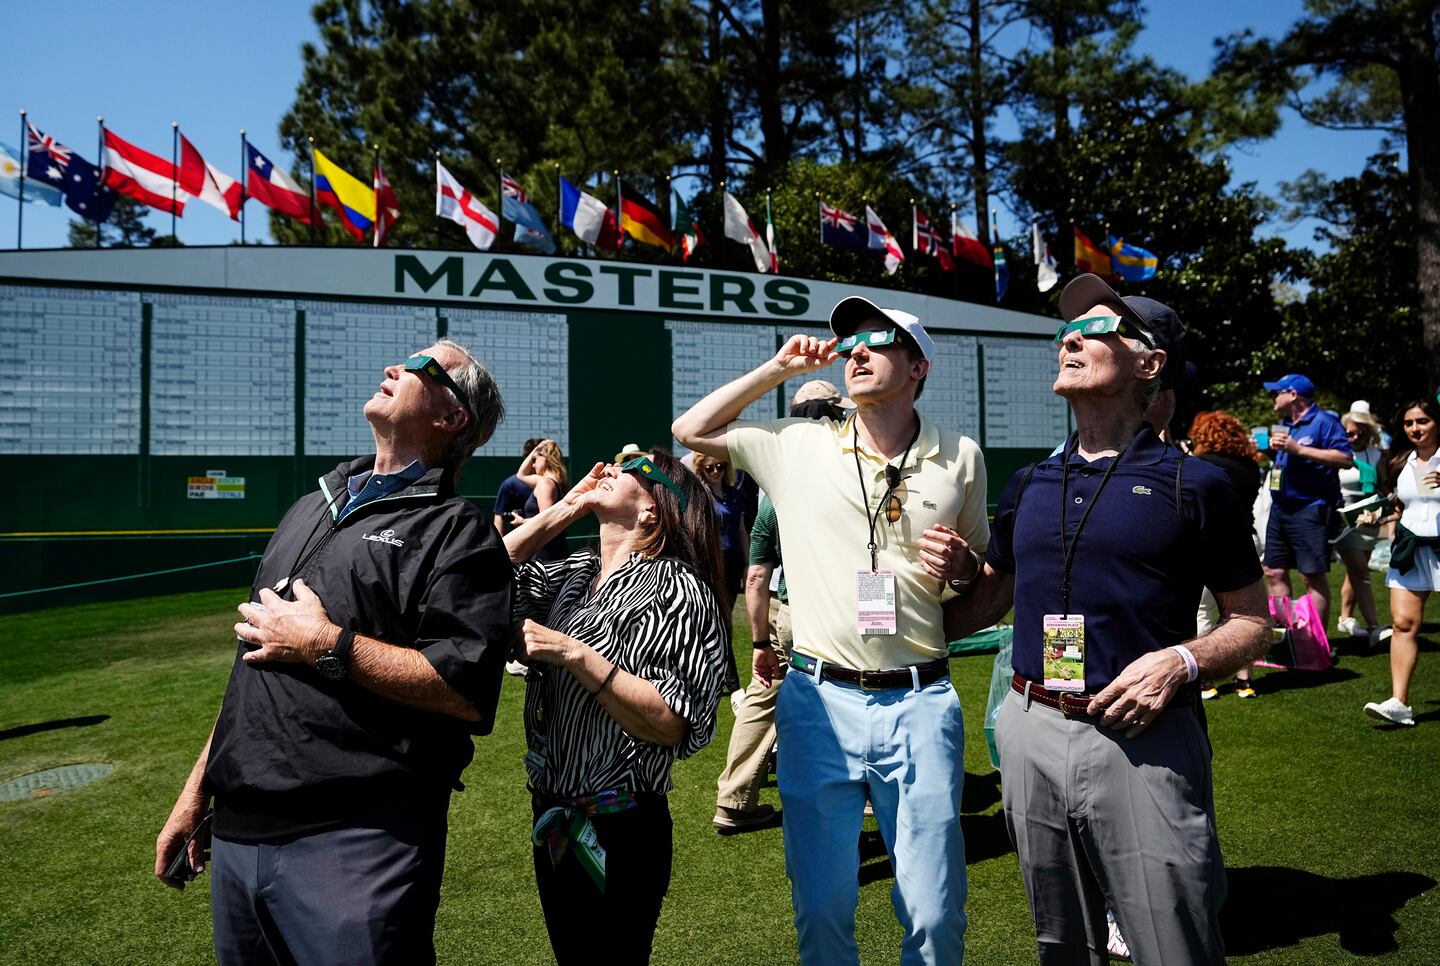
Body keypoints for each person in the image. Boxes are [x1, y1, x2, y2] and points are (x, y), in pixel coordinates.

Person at [944, 274, 1270, 965]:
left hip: (1143, 736)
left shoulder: (1197, 484)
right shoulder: (1029, 483)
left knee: (1172, 938)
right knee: (1063, 941)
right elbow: (986, 599)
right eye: (1067, 329)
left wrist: (1180, 661)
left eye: (1098, 329)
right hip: (1029, 729)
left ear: (1149, 364)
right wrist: (894, 623)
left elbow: (1250, 621)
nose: (1070, 339)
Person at [154, 340, 512, 965]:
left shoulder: (457, 529)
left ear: (451, 417)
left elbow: (463, 690)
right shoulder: (308, 508)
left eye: (423, 367)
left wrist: (327, 644)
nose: (392, 367)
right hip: (239, 835)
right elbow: (252, 666)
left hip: (357, 842)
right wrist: (196, 793)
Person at [673, 297, 991, 966]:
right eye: (850, 342)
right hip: (817, 703)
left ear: (918, 367)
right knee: (821, 912)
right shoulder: (795, 443)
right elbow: (691, 427)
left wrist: (964, 565)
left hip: (921, 702)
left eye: (878, 341)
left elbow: (975, 575)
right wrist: (777, 368)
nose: (857, 351)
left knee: (936, 914)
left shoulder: (960, 456)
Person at [502, 451, 729, 963]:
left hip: (619, 827)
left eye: (633, 467)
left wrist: (573, 653)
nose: (610, 466)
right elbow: (480, 569)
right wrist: (567, 507)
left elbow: (673, 723)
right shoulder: (576, 572)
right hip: (556, 816)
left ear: (654, 510)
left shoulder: (675, 587)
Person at [712, 382, 847, 832]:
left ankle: (733, 799)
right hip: (834, 613)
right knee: (850, 696)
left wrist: (757, 641)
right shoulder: (846, 471)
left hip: (781, 607)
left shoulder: (773, 472)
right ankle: (863, 794)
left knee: (763, 697)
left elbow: (756, 576)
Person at [1364, 397, 1440, 727]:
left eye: (1422, 421)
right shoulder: (1400, 461)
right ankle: (1399, 702)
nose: (1414, 428)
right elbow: (1401, 507)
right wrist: (1373, 517)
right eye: (1409, 423)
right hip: (1410, 549)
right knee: (1403, 624)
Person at [1262, 373, 1354, 632]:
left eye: (1276, 392)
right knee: (1274, 572)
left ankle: (1316, 644)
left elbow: (1345, 458)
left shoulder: (1325, 421)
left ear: (1293, 395)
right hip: (1280, 508)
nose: (1272, 397)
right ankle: (1287, 637)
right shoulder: (1285, 424)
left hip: (1311, 508)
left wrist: (1299, 449)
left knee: (1310, 576)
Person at [1189, 410, 1265, 699]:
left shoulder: (1202, 465)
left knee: (1204, 611)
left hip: (1211, 543)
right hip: (1248, 538)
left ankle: (1205, 680)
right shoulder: (1251, 466)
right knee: (1243, 615)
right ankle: (1245, 680)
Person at [1335, 408, 1388, 645]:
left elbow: (1383, 486)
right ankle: (1374, 626)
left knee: (1356, 570)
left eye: (1359, 433)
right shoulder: (1337, 453)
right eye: (1350, 434)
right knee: (1361, 571)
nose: (1354, 438)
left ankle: (1345, 617)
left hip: (1369, 513)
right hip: (1343, 515)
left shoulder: (1375, 454)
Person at [693, 452, 750, 601]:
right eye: (709, 468)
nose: (716, 471)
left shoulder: (734, 493)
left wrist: (747, 563)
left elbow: (741, 530)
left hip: (735, 560)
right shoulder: (700, 494)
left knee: (728, 608)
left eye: (720, 466)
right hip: (712, 560)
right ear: (701, 469)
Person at [513, 438, 572, 562]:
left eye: (535, 460)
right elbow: (521, 475)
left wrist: (522, 521)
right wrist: (537, 449)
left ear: (546, 457)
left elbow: (546, 521)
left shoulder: (545, 483)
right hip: (551, 549)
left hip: (546, 553)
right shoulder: (554, 481)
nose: (533, 465)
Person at [493, 437, 543, 536]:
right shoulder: (510, 484)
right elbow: (499, 518)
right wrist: (499, 548)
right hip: (521, 540)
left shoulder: (549, 483)